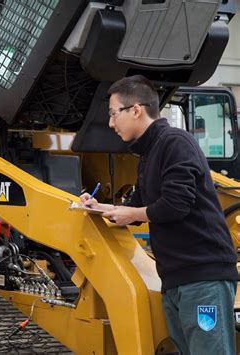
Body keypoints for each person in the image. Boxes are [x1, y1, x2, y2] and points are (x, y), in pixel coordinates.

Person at [79, 75, 238, 354]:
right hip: (176, 279)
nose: (111, 123)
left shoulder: (175, 143)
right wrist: (99, 207)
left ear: (136, 110)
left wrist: (132, 213)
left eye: (114, 113)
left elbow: (177, 204)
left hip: (203, 280)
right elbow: (138, 207)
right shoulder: (149, 153)